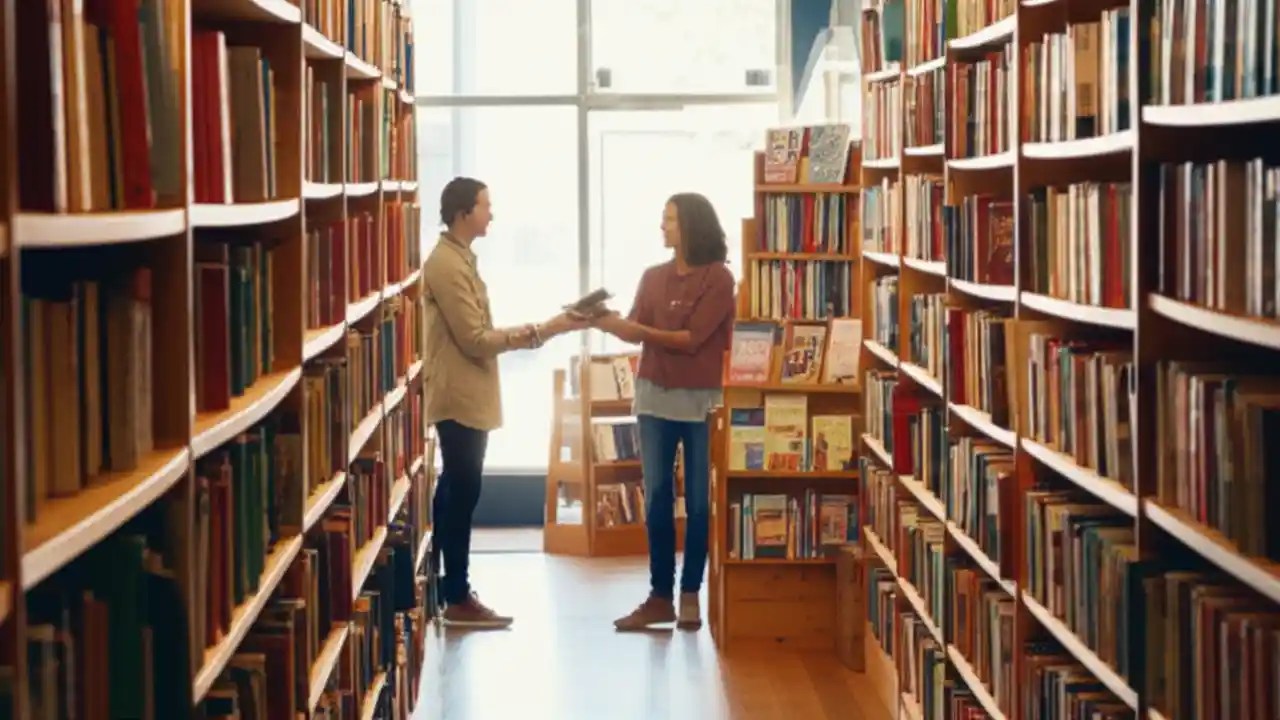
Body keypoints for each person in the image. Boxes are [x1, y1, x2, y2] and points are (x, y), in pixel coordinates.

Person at [423, 176, 588, 628]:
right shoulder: (447, 265)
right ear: (463, 212)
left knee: (457, 490)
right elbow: (474, 339)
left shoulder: (460, 260)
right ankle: (455, 594)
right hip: (459, 396)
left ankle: (446, 588)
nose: (491, 213)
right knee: (462, 492)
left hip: (467, 394)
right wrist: (545, 329)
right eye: (484, 205)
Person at [592, 192, 737, 631]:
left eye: (670, 220)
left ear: (691, 225)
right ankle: (659, 595)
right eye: (663, 219)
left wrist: (640, 329)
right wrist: (604, 320)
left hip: (700, 400)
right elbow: (635, 333)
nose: (663, 227)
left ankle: (690, 591)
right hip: (654, 396)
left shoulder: (719, 278)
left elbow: (692, 338)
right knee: (656, 497)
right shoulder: (652, 276)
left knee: (696, 500)